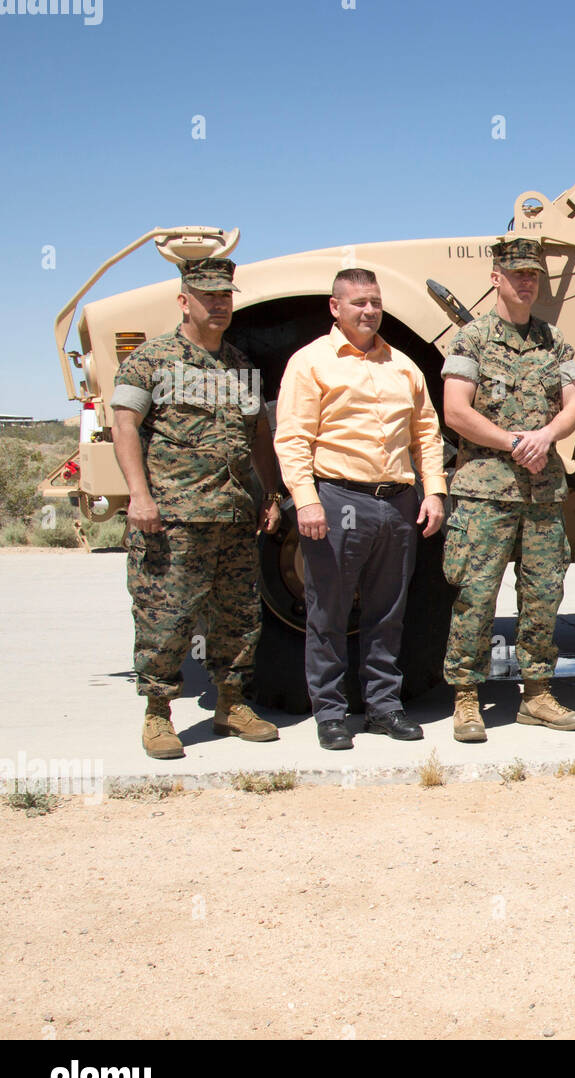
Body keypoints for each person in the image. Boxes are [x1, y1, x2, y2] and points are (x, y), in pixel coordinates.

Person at [110, 257, 282, 758]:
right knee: (166, 619)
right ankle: (158, 714)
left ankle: (231, 704)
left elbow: (258, 436)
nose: (219, 303)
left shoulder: (241, 366)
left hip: (232, 516)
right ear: (184, 301)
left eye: (225, 295)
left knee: (239, 618)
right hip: (172, 516)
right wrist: (139, 497)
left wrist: (269, 494)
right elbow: (124, 427)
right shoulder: (152, 360)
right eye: (208, 296)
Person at [275, 269, 447, 751]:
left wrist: (433, 491)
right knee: (327, 613)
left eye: (375, 302)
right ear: (335, 307)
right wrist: (305, 500)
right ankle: (330, 713)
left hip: (397, 503)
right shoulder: (310, 364)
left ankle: (384, 707)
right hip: (336, 500)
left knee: (388, 613)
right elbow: (291, 439)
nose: (368, 311)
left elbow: (426, 435)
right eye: (358, 303)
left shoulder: (405, 366)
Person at [439, 235, 575, 742]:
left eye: (533, 274)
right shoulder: (472, 340)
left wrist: (547, 435)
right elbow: (456, 410)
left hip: (543, 493)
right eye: (517, 273)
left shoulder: (554, 340)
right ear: (495, 277)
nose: (527, 282)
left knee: (544, 594)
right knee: (476, 597)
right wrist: (512, 441)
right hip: (485, 493)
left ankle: (538, 693)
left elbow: (574, 405)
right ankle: (465, 697)